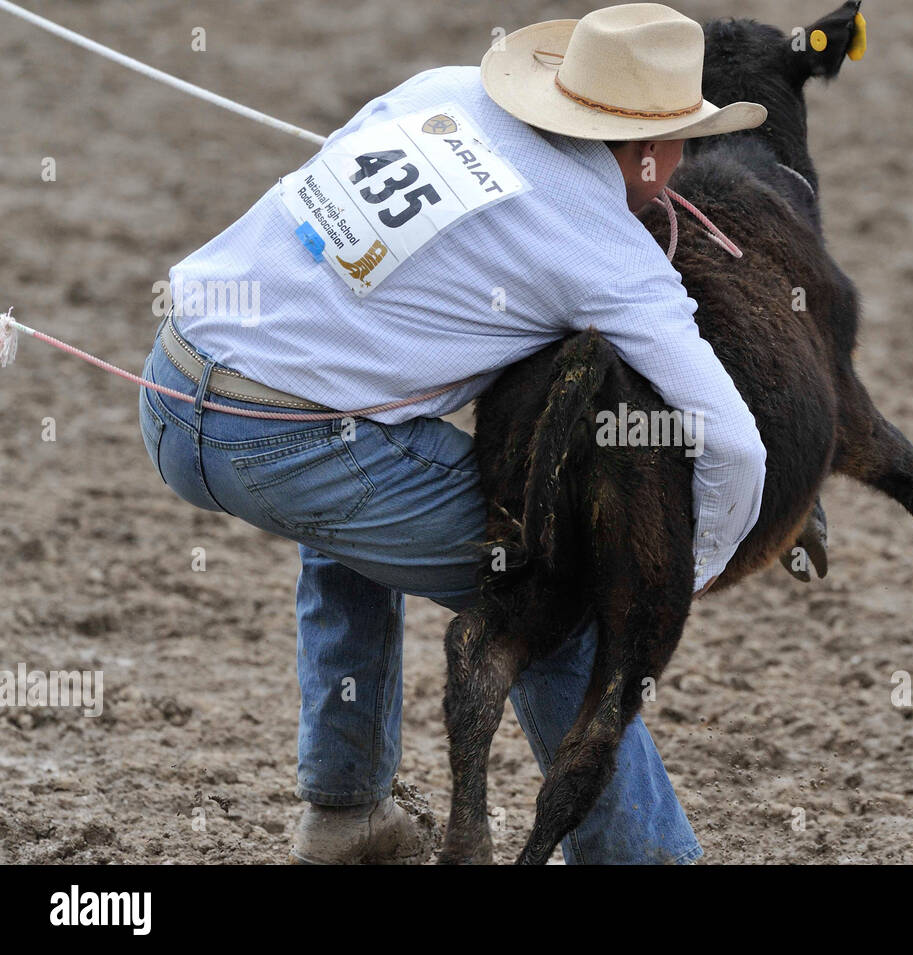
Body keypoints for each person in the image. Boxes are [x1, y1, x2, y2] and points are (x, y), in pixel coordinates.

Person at [138, 2, 768, 864]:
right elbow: (734, 443)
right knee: (547, 590)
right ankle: (644, 858)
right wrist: (694, 571)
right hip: (281, 444)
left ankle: (345, 812)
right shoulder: (605, 253)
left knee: (355, 525)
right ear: (650, 150)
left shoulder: (438, 90)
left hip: (168, 379)